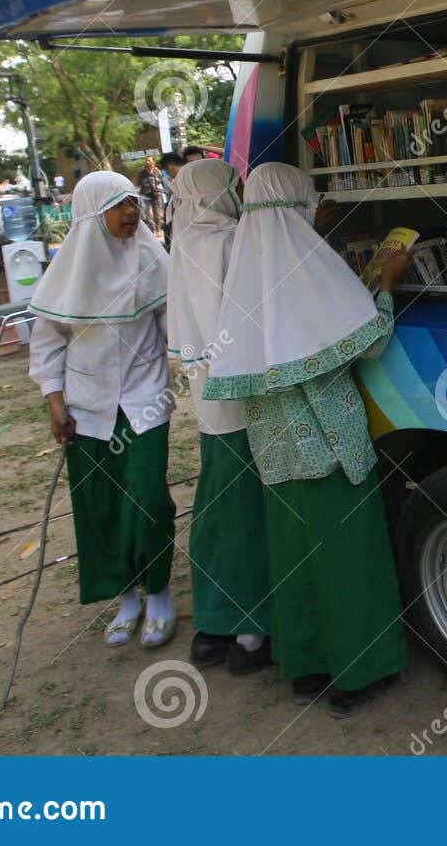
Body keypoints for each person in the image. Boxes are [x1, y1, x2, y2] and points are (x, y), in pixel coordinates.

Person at [203, 163, 411, 719]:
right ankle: (358, 672)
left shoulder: (244, 268)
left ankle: (307, 670)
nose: (318, 210)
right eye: (311, 200)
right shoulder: (307, 260)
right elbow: (369, 340)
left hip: (275, 450)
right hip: (330, 442)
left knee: (295, 560)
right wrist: (388, 283)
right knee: (348, 556)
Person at [27, 170, 178, 649]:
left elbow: (176, 324)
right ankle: (126, 596)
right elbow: (48, 344)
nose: (132, 212)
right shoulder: (66, 273)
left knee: (148, 498)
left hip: (144, 399)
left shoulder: (153, 261)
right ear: (92, 213)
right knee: (102, 504)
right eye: (119, 205)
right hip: (87, 407)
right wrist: (54, 400)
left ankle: (159, 591)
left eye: (133, 202)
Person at [166, 159, 274, 674]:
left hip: (208, 398)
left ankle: (213, 624)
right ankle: (250, 631)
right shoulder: (235, 241)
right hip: (246, 397)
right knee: (245, 512)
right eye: (235, 187)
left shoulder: (182, 244)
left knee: (216, 506)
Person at [137, 156, 164, 233]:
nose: (148, 162)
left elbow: (161, 181)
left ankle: (158, 229)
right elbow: (138, 184)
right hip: (146, 196)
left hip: (156, 195)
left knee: (158, 215)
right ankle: (153, 231)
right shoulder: (142, 173)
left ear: (153, 163)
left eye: (150, 161)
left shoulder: (157, 171)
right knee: (149, 215)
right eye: (147, 161)